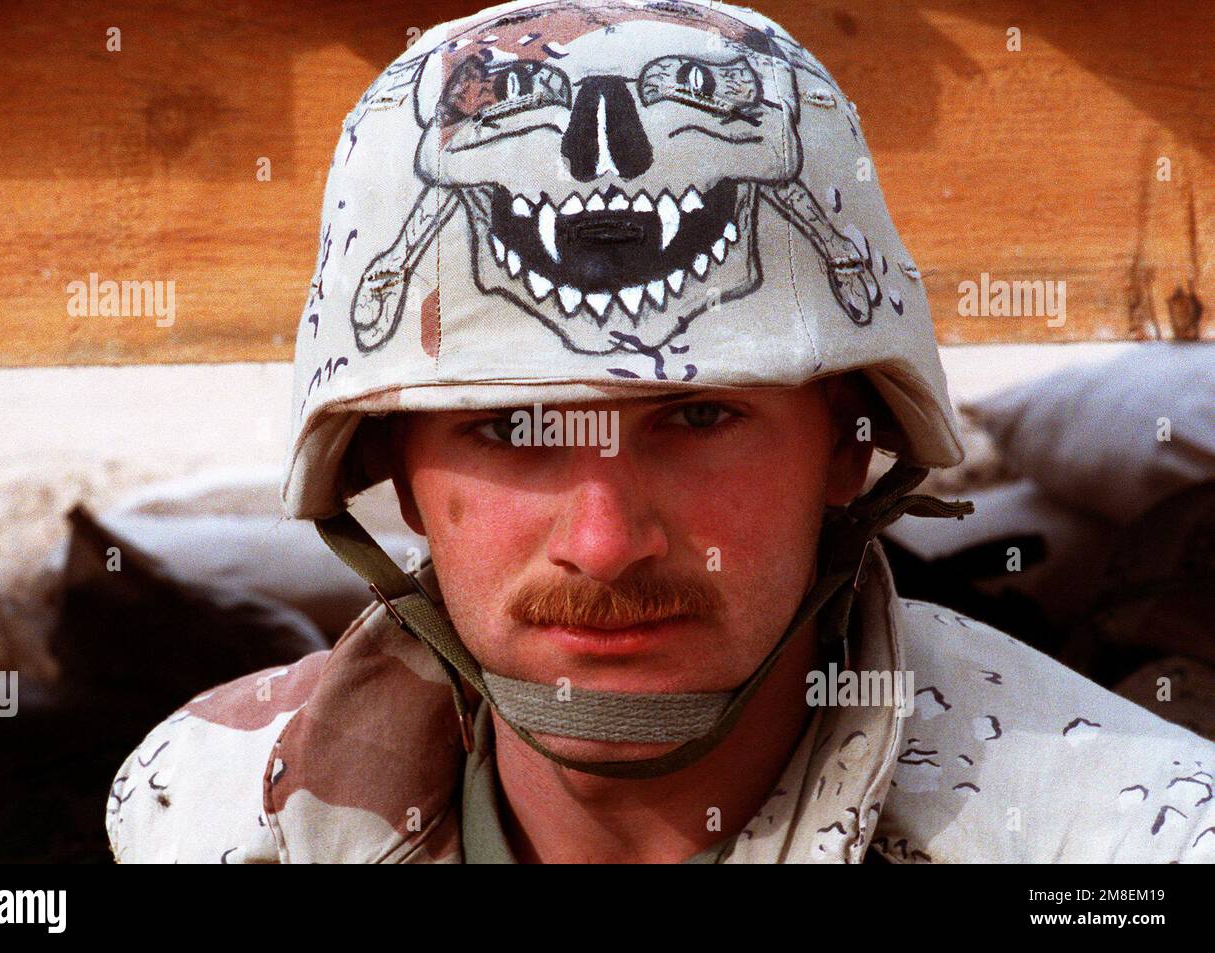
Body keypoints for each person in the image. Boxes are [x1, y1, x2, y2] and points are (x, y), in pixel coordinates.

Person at [106, 0, 1214, 863]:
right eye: (509, 426)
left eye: (697, 416)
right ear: (387, 464)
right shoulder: (209, 812)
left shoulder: (1120, 839)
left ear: (849, 442)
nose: (605, 538)